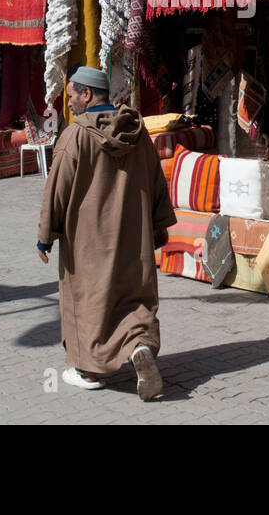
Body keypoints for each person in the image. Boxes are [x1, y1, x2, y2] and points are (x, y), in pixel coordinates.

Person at [36, 66, 174, 400]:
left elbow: (57, 190)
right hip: (134, 237)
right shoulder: (138, 132)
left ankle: (88, 369)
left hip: (89, 241)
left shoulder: (76, 135)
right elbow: (157, 180)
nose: (69, 102)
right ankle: (139, 345)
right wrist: (157, 225)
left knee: (91, 300)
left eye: (71, 95)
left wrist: (45, 236)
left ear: (86, 94)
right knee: (132, 297)